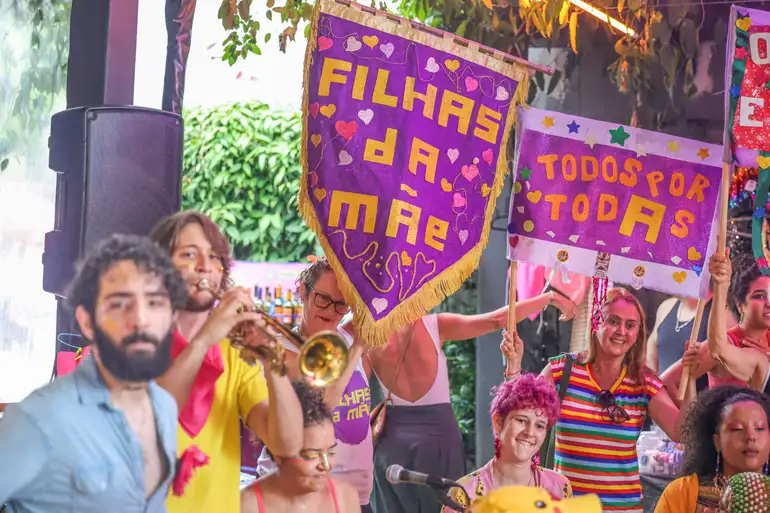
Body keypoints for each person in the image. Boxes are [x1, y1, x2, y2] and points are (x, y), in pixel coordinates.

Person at [0, 234, 187, 512]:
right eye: (119, 303)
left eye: (155, 303)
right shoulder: (39, 419)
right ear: (87, 321)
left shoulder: (165, 407)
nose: (141, 320)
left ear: (172, 318)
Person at [367, 291, 576, 513]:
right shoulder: (433, 325)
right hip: (437, 441)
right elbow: (496, 320)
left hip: (390, 442)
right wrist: (548, 298)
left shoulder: (368, 338)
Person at [149, 212, 303, 513]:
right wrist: (204, 339)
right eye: (189, 254)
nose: (205, 266)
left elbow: (287, 446)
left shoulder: (233, 351)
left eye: (214, 257)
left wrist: (272, 361)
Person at [505, 287, 694, 513]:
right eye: (613, 321)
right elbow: (519, 419)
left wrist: (690, 377)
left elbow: (681, 432)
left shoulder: (644, 382)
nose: (621, 331)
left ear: (637, 334)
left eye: (630, 325)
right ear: (596, 322)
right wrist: (513, 366)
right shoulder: (561, 370)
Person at [257, 257, 375, 512]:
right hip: (301, 494)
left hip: (354, 493)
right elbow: (321, 409)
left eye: (341, 304)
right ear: (303, 291)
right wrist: (357, 349)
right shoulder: (280, 351)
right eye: (323, 299)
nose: (331, 311)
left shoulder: (347, 336)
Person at [441, 373, 571, 512]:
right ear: (498, 422)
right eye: (521, 420)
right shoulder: (463, 493)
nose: (530, 432)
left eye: (539, 426)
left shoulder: (559, 487)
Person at [242, 381, 361, 512]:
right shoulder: (247, 506)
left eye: (331, 452)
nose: (326, 465)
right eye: (311, 455)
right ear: (278, 455)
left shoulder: (345, 498)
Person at [654, 385, 770, 513]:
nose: (751, 436)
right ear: (717, 442)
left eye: (759, 428)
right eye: (737, 429)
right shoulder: (682, 493)